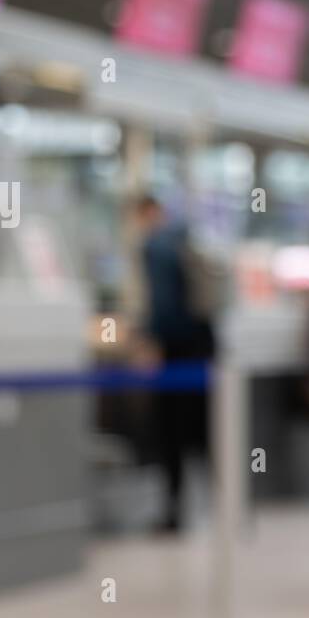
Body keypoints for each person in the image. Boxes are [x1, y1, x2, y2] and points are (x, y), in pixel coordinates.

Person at [132, 193, 215, 533]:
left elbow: (163, 305)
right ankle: (219, 507)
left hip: (177, 351)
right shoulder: (186, 239)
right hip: (203, 345)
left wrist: (147, 339)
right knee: (203, 431)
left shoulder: (155, 246)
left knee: (171, 434)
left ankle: (174, 511)